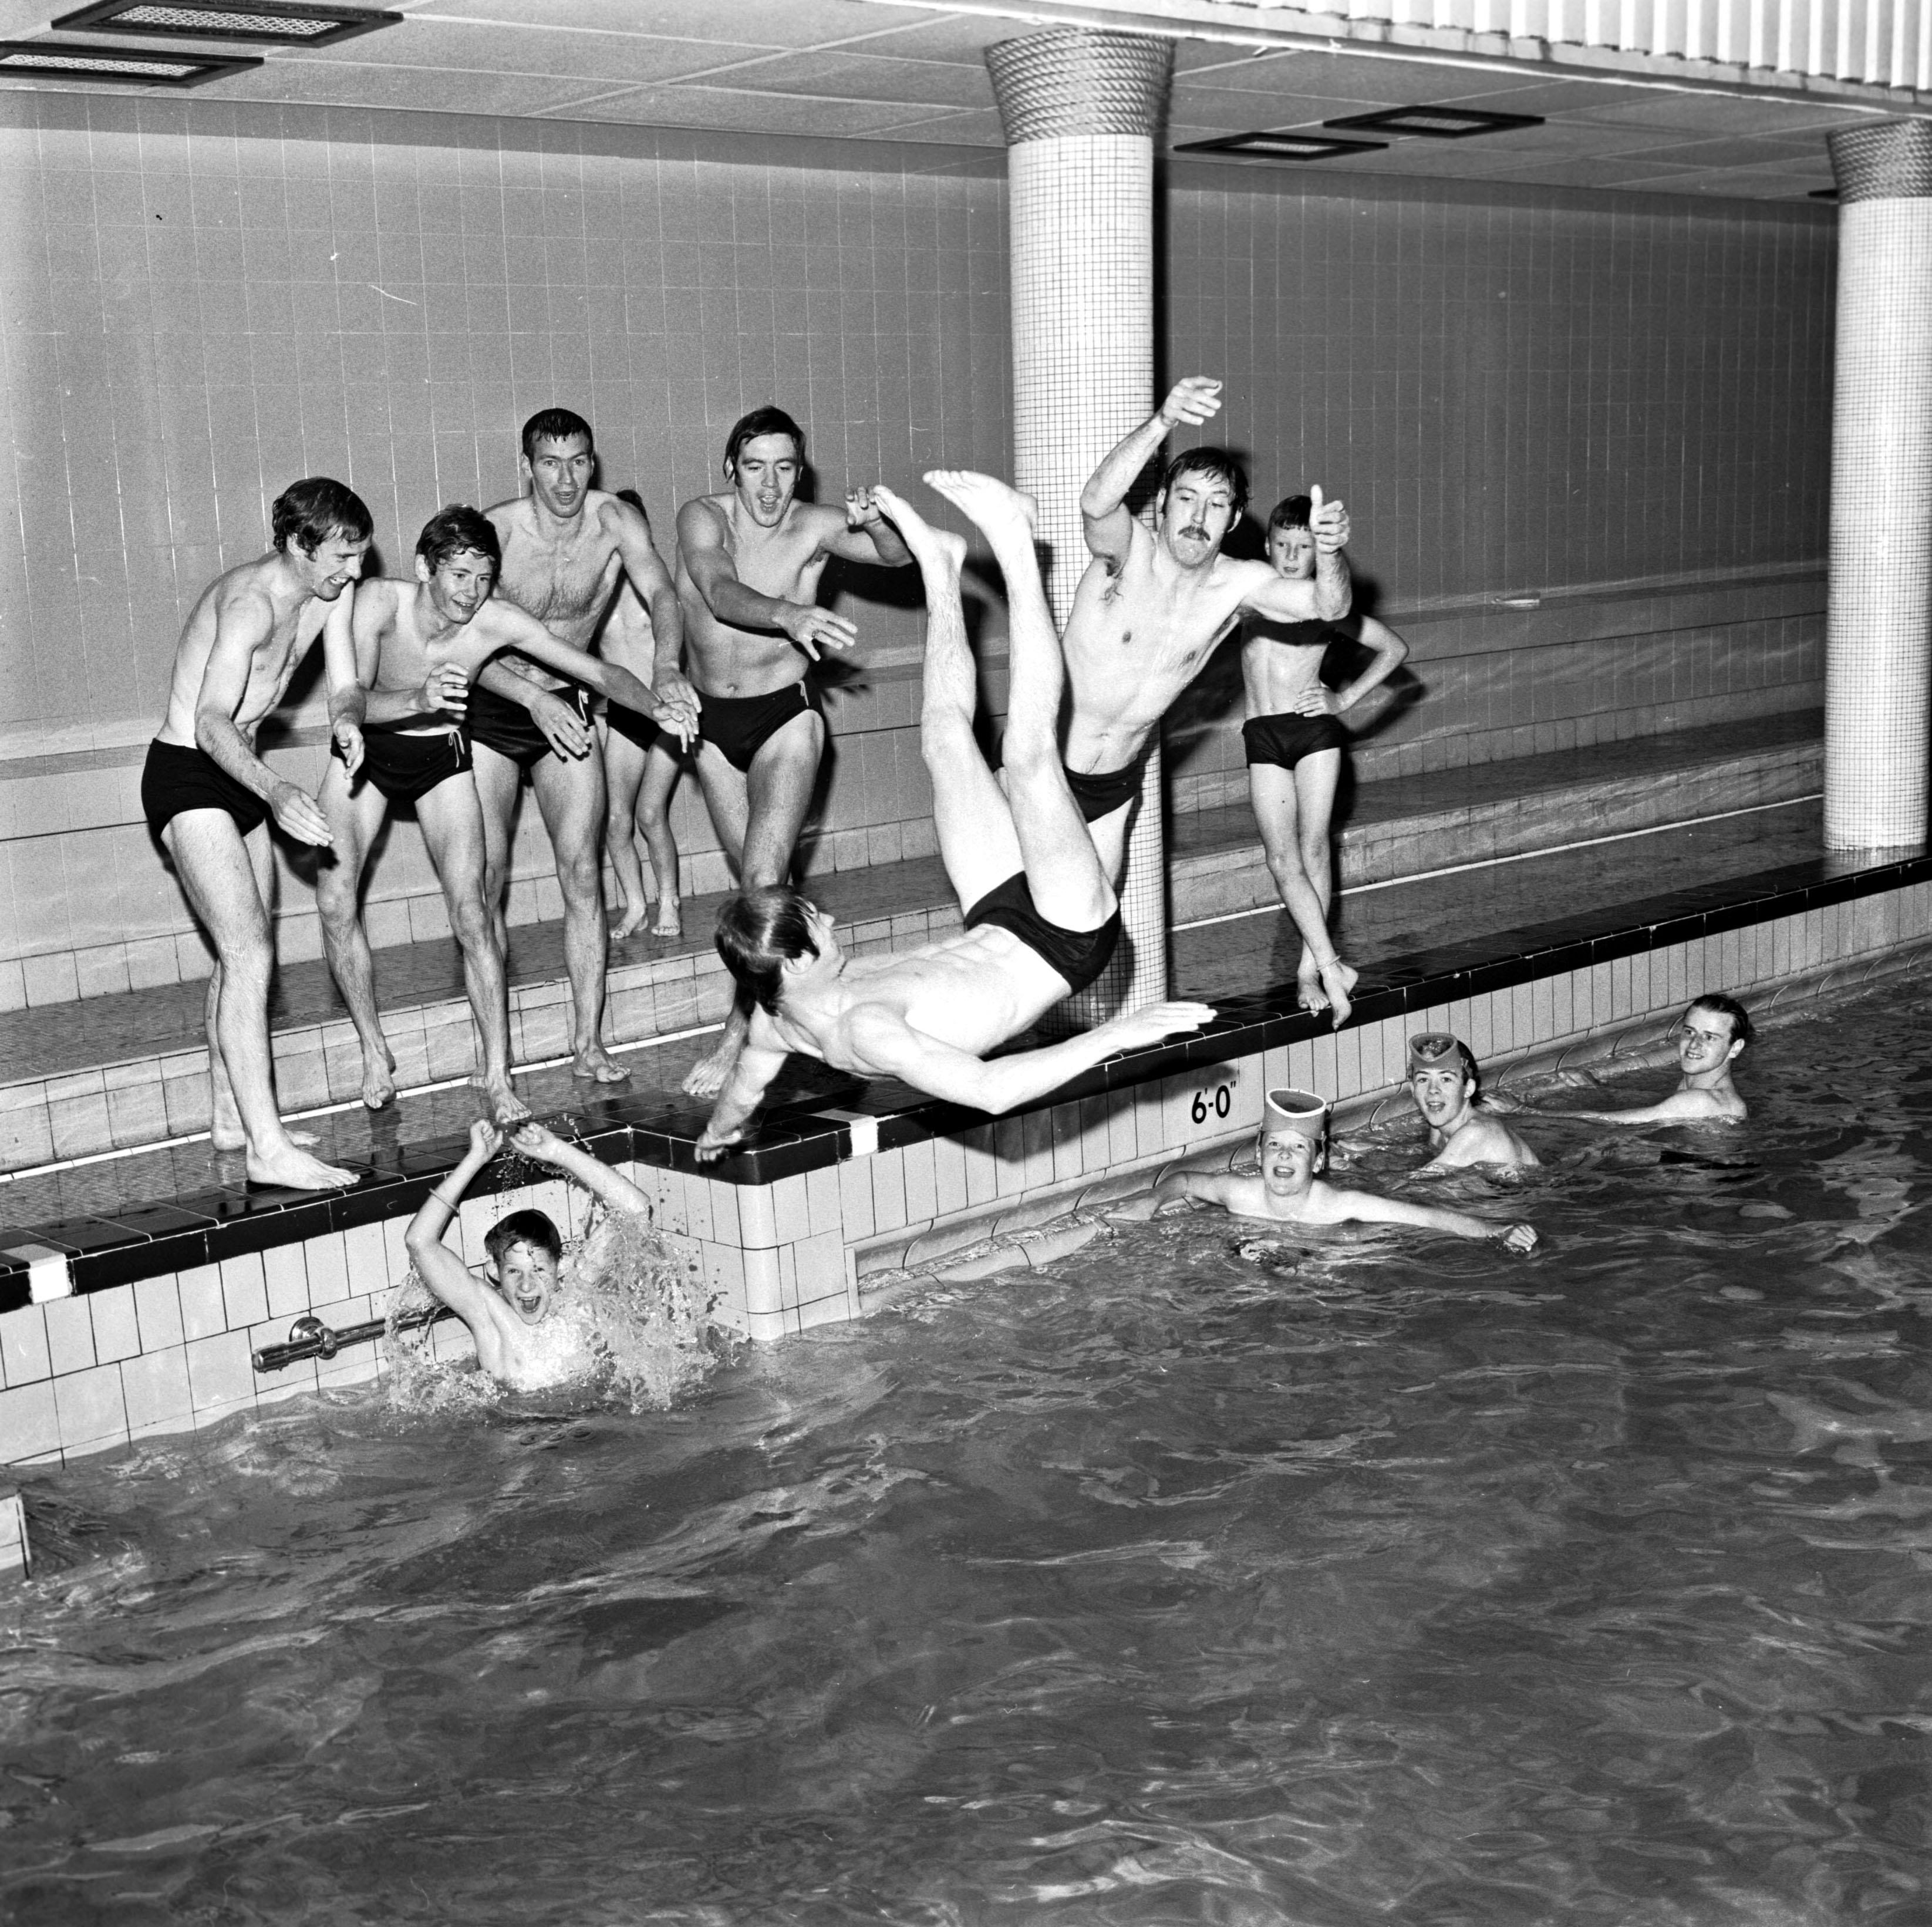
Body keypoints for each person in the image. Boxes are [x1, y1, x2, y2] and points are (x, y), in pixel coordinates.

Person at [694, 473, 1213, 1162]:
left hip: (997, 914)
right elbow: (991, 1091)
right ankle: (1016, 548)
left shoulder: (776, 1024)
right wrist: (1121, 1034)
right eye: (817, 925)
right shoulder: (867, 1033)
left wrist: (714, 1137)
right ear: (792, 965)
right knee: (1028, 760)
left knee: (943, 737)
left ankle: (941, 568)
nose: (833, 919)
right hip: (1064, 939)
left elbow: (742, 1097)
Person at [317, 506, 686, 1126]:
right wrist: (413, 698)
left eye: (483, 578)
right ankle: (374, 1049)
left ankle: (496, 1073)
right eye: (458, 575)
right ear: (424, 568)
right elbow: (350, 698)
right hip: (365, 753)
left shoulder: (493, 621)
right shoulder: (380, 603)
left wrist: (659, 709)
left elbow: (599, 672)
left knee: (472, 911)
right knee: (334, 904)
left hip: (440, 759)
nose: (470, 592)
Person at [1065, 378, 1357, 1020]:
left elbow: (1330, 605)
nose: (1198, 517)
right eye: (1186, 499)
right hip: (1048, 763)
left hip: (1115, 784)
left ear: (1232, 521)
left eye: (1216, 505)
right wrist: (1162, 420)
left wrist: (1330, 551)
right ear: (1162, 503)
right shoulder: (1127, 552)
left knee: (1086, 935)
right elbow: (1095, 500)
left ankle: (1328, 965)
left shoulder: (1237, 584)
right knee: (1038, 921)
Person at [675, 405, 915, 1099]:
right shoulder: (704, 517)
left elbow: (896, 557)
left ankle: (739, 1037)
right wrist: (790, 613)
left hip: (785, 716)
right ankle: (815, 1007)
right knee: (760, 893)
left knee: (760, 884)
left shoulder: (815, 524)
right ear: (731, 469)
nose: (771, 486)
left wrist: (873, 521)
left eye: (785, 468)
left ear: (799, 470)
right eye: (755, 468)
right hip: (713, 723)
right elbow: (718, 592)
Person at [140, 477, 373, 1191]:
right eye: (340, 556)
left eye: (358, 556)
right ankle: (268, 1150)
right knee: (248, 952)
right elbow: (212, 721)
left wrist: (346, 720)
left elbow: (345, 681)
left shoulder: (330, 592)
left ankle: (230, 1117)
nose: (354, 571)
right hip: (189, 771)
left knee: (242, 950)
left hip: (241, 773)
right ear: (299, 544)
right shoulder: (249, 605)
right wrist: (273, 791)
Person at [475, 408, 694, 1083]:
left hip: (569, 703)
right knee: (485, 882)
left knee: (581, 875)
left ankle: (588, 1043)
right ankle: (496, 1063)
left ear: (592, 463)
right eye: (550, 463)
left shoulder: (616, 523)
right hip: (496, 704)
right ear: (527, 466)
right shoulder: (499, 531)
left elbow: (661, 592)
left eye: (578, 463)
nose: (565, 480)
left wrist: (665, 668)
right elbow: (459, 645)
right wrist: (531, 699)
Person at [1243, 492, 1410, 1015]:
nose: (1292, 557)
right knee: (1279, 859)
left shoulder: (1324, 604)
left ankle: (1310, 972)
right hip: (1263, 734)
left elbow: (1393, 649)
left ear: (1319, 552)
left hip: (1314, 732)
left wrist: (1343, 699)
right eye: (1283, 545)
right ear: (1267, 546)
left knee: (1313, 848)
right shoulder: (1251, 592)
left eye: (1304, 547)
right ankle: (1331, 962)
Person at [403, 1117, 653, 1390]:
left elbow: (636, 1209)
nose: (526, 1285)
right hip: (518, 1429)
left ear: (563, 1266)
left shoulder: (577, 1298)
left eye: (540, 1270)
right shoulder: (490, 1319)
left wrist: (558, 1152)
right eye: (513, 1271)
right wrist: (475, 1160)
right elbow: (419, 1242)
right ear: (493, 1271)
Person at [1127, 1088, 1537, 1248]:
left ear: (1319, 1161)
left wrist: (1494, 1231)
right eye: (1274, 1147)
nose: (1284, 1157)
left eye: (1297, 1149)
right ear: (1258, 1155)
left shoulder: (1339, 1205)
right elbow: (1182, 1180)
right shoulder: (1239, 1193)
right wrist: (1150, 1201)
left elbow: (1428, 1217)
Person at [599, 490, 689, 941]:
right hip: (623, 714)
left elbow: (676, 646)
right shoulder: (594, 593)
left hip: (665, 714)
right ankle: (635, 905)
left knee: (651, 814)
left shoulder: (655, 591)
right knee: (616, 822)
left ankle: (668, 900)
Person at [1490, 995, 1754, 1125]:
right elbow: (1653, 1110)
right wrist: (1598, 1090)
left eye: (1710, 1038)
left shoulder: (1701, 1100)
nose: (1694, 1045)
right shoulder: (1699, 1090)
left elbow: (1614, 1122)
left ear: (1735, 1047)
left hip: (1704, 1192)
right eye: (1689, 1032)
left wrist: (1522, 1112)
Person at [1404, 1032, 1539, 1173]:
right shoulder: (1438, 1125)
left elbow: (1414, 1184)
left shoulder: (1477, 1132)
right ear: (1413, 1089)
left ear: (1468, 1089)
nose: (1433, 1090)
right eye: (1423, 1080)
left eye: (1446, 1079)